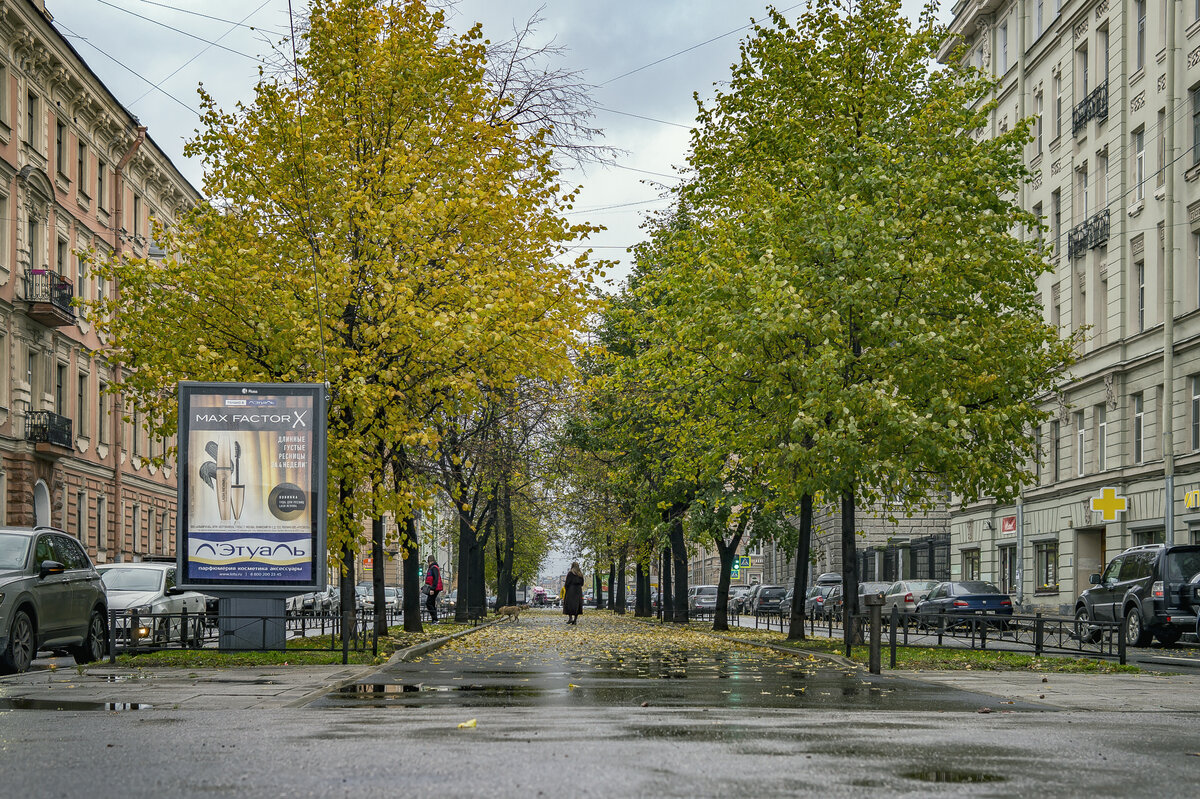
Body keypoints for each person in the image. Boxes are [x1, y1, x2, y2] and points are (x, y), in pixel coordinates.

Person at [424, 554, 442, 623]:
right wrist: (424, 587)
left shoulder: (434, 567)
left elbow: (435, 579)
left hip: (435, 588)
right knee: (431, 603)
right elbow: (430, 579)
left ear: (429, 561)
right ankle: (435, 619)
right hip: (434, 587)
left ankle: (435, 619)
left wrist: (432, 589)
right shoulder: (433, 567)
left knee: (429, 603)